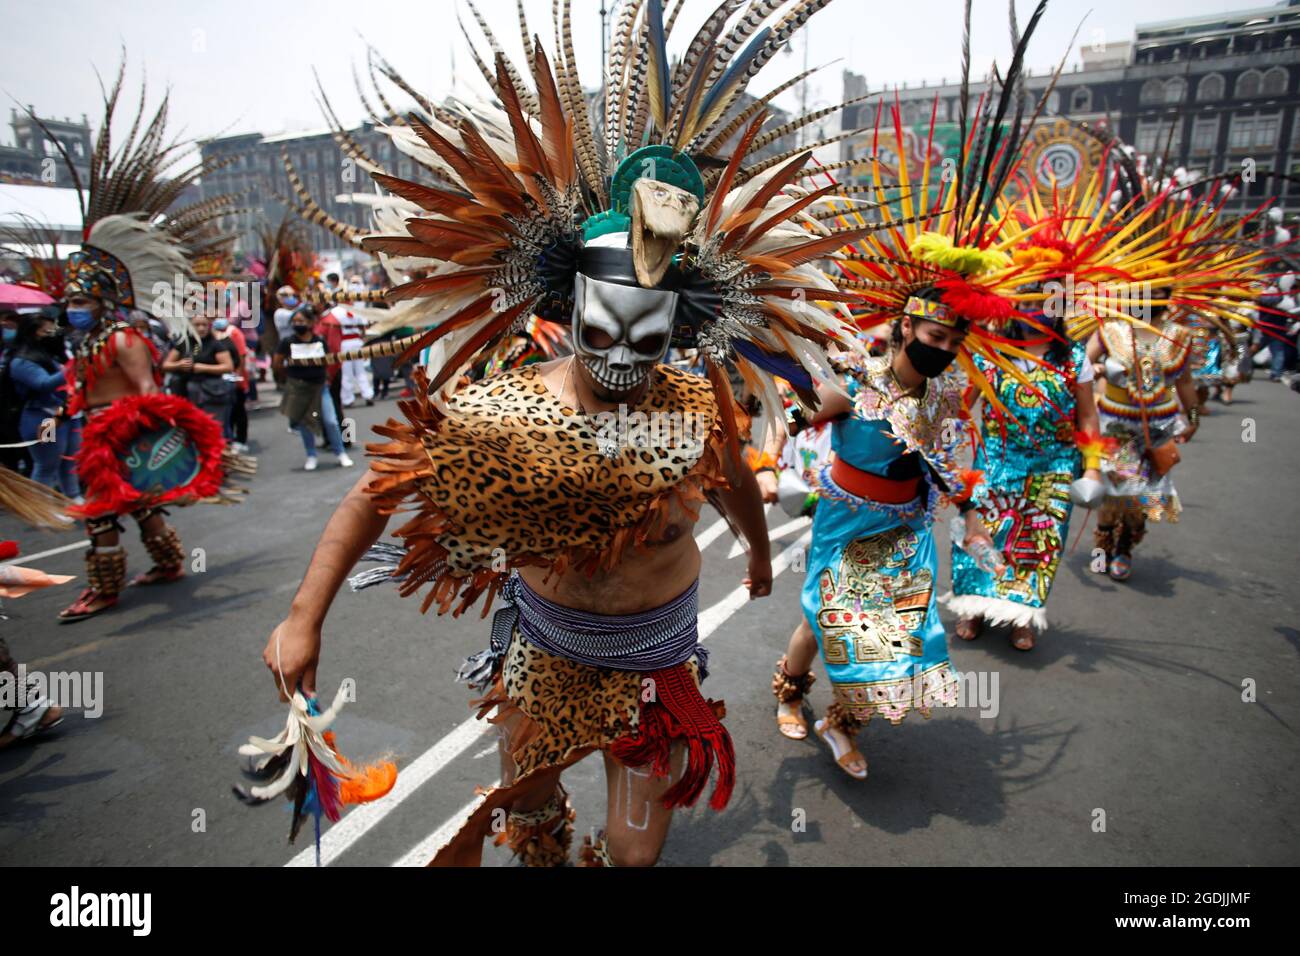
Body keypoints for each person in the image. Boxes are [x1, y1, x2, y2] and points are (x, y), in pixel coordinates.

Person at [257, 0, 874, 867]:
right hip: (545, 657)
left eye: (646, 330)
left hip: (656, 659)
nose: (623, 352)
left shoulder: (694, 406)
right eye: (605, 324)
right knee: (533, 830)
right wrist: (302, 618)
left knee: (633, 856)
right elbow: (374, 494)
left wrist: (762, 557)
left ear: (677, 326)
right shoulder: (504, 411)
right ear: (569, 308)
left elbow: (733, 472)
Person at [946, 304, 1100, 651]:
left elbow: (1088, 416)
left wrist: (1092, 468)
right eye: (1028, 298)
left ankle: (1022, 617)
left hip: (1054, 468)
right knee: (980, 534)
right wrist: (943, 450)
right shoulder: (991, 352)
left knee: (1038, 543)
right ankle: (973, 608)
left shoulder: (1074, 357)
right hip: (996, 463)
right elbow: (961, 407)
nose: (1035, 307)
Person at [1085, 297, 1199, 582]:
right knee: (1116, 489)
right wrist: (1096, 372)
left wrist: (1194, 417)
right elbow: (1082, 365)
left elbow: (1185, 381)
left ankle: (1125, 548)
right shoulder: (1111, 330)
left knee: (1147, 492)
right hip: (1116, 424)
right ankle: (1104, 547)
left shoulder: (1179, 336)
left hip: (1159, 426)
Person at [9, 312, 81, 497]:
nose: (52, 335)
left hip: (67, 415)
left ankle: (74, 498)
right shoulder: (21, 361)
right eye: (46, 331)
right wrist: (73, 367)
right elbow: (43, 383)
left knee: (69, 460)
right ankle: (42, 506)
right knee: (47, 464)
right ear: (32, 333)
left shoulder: (50, 356)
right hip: (42, 418)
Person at [273, 306, 353, 471]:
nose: (298, 324)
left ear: (310, 323)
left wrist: (327, 377)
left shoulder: (319, 340)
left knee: (331, 421)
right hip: (298, 388)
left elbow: (327, 361)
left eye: (301, 321)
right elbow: (277, 363)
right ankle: (311, 455)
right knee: (305, 424)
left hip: (320, 387)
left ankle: (340, 452)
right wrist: (288, 377)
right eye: (295, 321)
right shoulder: (287, 342)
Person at [161, 313, 237, 428]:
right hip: (186, 391)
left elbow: (228, 366)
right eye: (197, 325)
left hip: (211, 391)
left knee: (212, 425)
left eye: (204, 325)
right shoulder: (183, 343)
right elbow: (165, 365)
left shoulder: (215, 344)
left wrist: (203, 367)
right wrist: (179, 365)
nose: (201, 328)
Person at [334, 306, 374, 407]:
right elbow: (364, 327)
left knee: (347, 372)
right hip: (356, 342)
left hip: (344, 343)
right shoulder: (356, 309)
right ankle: (368, 395)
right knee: (360, 371)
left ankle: (348, 399)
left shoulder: (335, 311)